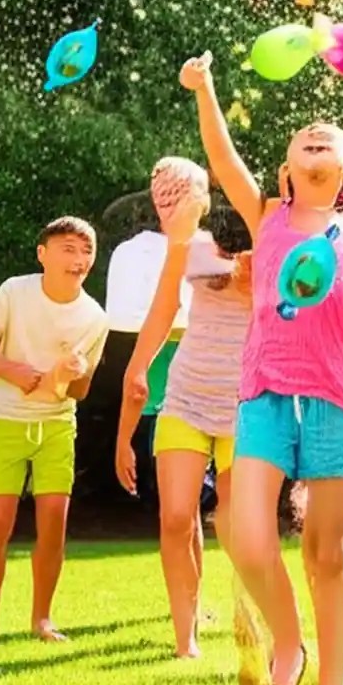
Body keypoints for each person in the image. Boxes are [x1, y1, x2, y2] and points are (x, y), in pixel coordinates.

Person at [180, 50, 343, 685]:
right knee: (247, 539)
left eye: (330, 135)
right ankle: (291, 642)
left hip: (333, 398)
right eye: (306, 134)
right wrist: (204, 87)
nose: (317, 131)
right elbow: (222, 160)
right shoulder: (267, 213)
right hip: (265, 393)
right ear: (287, 169)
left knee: (326, 554)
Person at [115, 157, 256, 664]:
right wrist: (136, 369)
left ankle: (251, 612)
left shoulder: (261, 247)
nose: (168, 207)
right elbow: (163, 309)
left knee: (237, 521)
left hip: (243, 403)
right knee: (175, 518)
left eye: (177, 196)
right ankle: (185, 638)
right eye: (163, 199)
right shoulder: (186, 248)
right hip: (186, 397)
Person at [0, 216, 109, 646]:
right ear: (42, 254)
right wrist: (16, 372)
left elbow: (80, 391)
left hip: (57, 426)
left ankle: (42, 620)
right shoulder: (14, 291)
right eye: (69, 249)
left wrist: (72, 375)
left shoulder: (95, 317)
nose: (79, 259)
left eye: (86, 251)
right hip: (6, 419)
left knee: (53, 527)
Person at [104, 200, 193, 506]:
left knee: (179, 505)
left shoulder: (133, 252)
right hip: (184, 357)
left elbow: (137, 389)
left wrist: (123, 441)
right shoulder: (202, 251)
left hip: (166, 353)